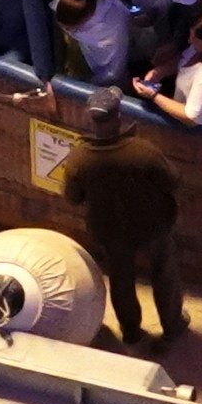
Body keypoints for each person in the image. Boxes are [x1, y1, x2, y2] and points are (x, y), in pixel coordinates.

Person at [69, 101, 186, 353]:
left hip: (110, 231)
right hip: (152, 224)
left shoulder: (80, 159)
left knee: (121, 280)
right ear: (118, 116)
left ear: (92, 121)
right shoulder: (143, 151)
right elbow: (172, 181)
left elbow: (72, 197)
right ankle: (172, 324)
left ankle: (131, 332)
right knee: (164, 272)